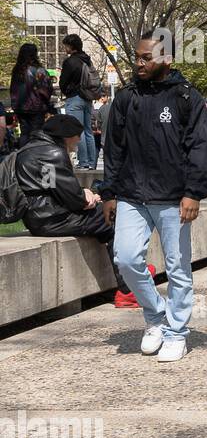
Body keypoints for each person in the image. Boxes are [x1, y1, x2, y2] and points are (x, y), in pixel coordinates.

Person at [100, 27, 207, 363]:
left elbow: (201, 147)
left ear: (166, 58)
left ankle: (177, 332)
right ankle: (156, 317)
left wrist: (193, 193)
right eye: (136, 57)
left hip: (173, 198)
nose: (138, 63)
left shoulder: (185, 98)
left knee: (178, 269)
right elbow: (114, 149)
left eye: (146, 58)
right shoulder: (125, 98)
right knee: (125, 258)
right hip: (132, 196)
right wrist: (109, 192)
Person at [16, 113, 135, 304]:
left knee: (104, 223)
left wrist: (82, 194)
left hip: (40, 217)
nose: (80, 139)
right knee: (112, 217)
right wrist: (87, 198)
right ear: (66, 135)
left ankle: (130, 273)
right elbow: (70, 197)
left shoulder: (32, 149)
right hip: (54, 220)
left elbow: (50, 185)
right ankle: (127, 289)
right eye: (77, 135)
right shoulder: (53, 153)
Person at [58, 35, 99, 169]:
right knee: (88, 130)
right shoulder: (87, 60)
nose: (65, 48)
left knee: (77, 130)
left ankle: (83, 162)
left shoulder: (70, 62)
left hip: (74, 98)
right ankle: (91, 162)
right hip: (87, 98)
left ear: (71, 46)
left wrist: (67, 90)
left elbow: (63, 82)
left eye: (66, 45)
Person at [9, 43, 54, 140]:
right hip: (36, 109)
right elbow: (47, 90)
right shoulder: (39, 71)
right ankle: (34, 154)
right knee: (36, 135)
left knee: (24, 134)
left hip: (20, 108)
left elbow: (13, 90)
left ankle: (24, 154)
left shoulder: (17, 71)